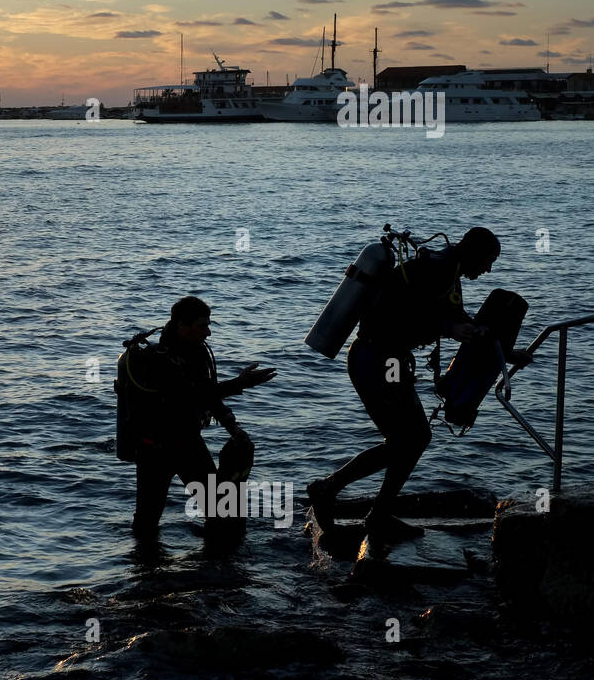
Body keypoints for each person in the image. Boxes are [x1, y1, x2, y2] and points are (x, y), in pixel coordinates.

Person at [307, 227, 531, 546]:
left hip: (389, 360)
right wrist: (448, 326)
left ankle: (375, 511)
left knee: (411, 438)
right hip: (377, 359)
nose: (488, 269)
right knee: (407, 439)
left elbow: (455, 318)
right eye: (488, 261)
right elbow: (398, 310)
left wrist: (504, 353)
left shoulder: (447, 270)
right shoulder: (436, 268)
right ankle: (331, 491)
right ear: (472, 252)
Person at [130, 296, 276, 540]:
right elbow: (189, 396)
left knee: (221, 513)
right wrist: (239, 383)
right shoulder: (158, 360)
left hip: (188, 443)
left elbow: (209, 396)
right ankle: (146, 572)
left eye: (209, 325)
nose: (208, 332)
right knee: (147, 522)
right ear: (181, 326)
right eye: (202, 326)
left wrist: (233, 428)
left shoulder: (197, 353)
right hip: (155, 450)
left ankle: (216, 568)